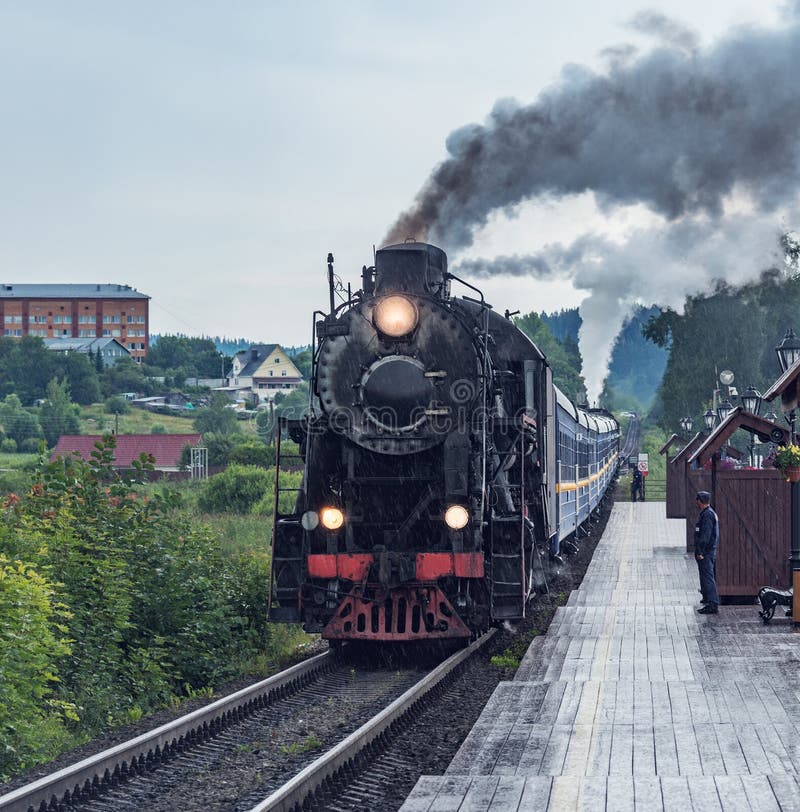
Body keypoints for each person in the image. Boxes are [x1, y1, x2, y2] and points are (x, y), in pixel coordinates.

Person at [694, 491, 719, 614]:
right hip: (708, 551)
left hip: (706, 552)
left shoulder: (707, 515)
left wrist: (700, 551)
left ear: (700, 501)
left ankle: (712, 603)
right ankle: (708, 598)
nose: (696, 502)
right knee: (706, 576)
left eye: (697, 500)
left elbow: (706, 535)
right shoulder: (708, 513)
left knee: (708, 577)